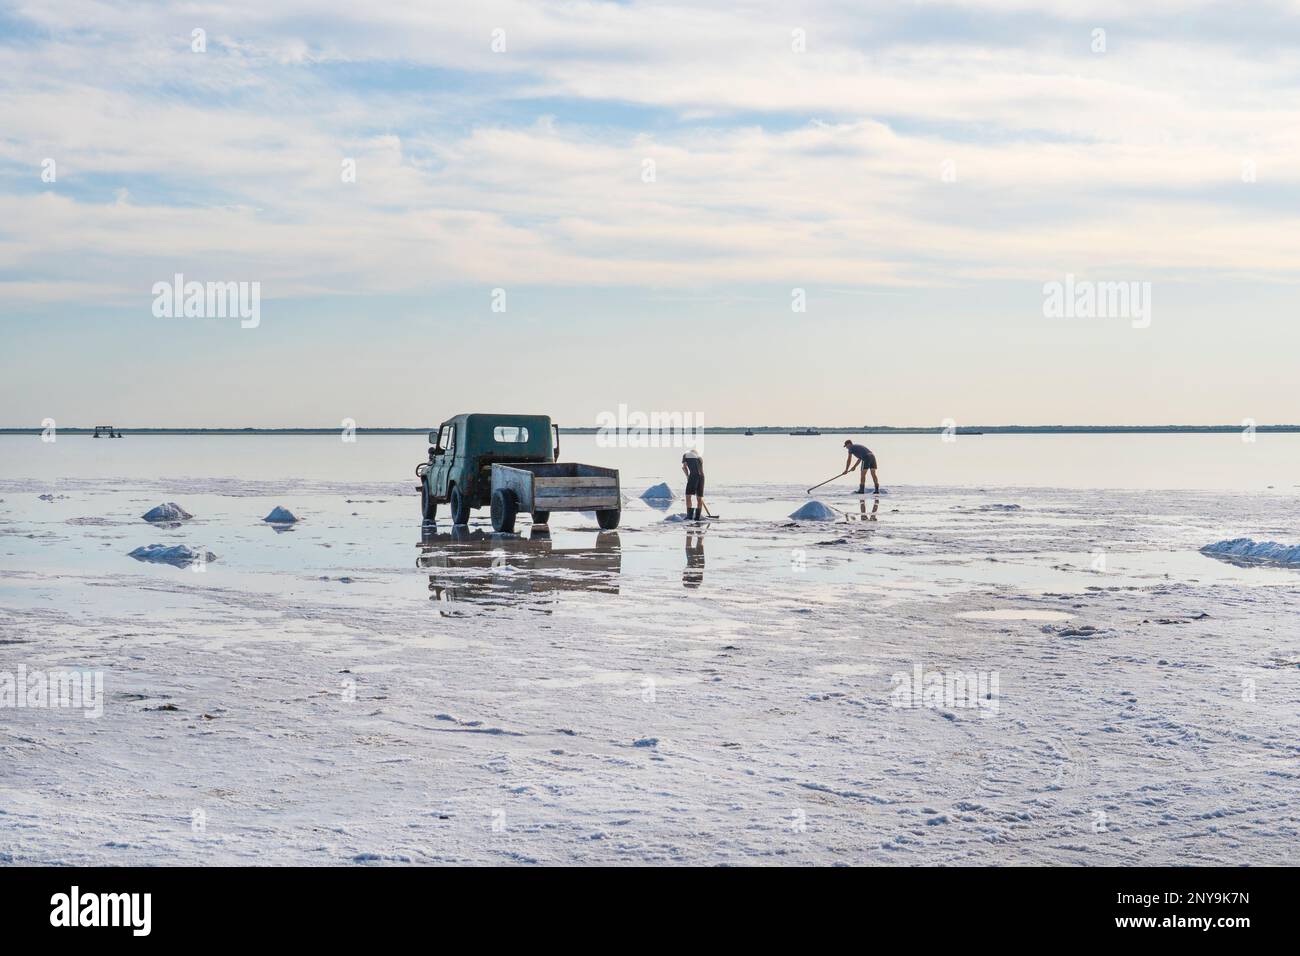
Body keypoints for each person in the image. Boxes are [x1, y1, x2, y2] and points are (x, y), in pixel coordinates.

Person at [682, 447, 707, 520]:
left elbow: (684, 467)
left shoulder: (686, 455)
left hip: (694, 476)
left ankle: (689, 516)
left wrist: (687, 476)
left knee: (688, 496)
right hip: (702, 477)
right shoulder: (699, 458)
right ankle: (697, 517)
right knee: (699, 498)